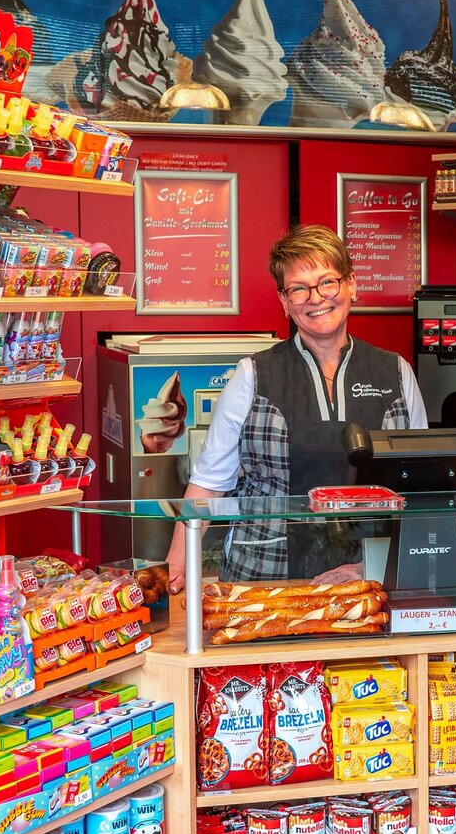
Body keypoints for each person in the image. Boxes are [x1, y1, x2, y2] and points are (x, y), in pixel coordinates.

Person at [166, 224, 427, 591]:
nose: (316, 298)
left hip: (367, 578)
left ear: (351, 284)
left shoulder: (396, 372)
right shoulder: (253, 374)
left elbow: (417, 490)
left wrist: (372, 565)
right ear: (285, 302)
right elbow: (209, 483)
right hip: (262, 577)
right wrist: (179, 564)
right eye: (299, 289)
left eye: (327, 282)